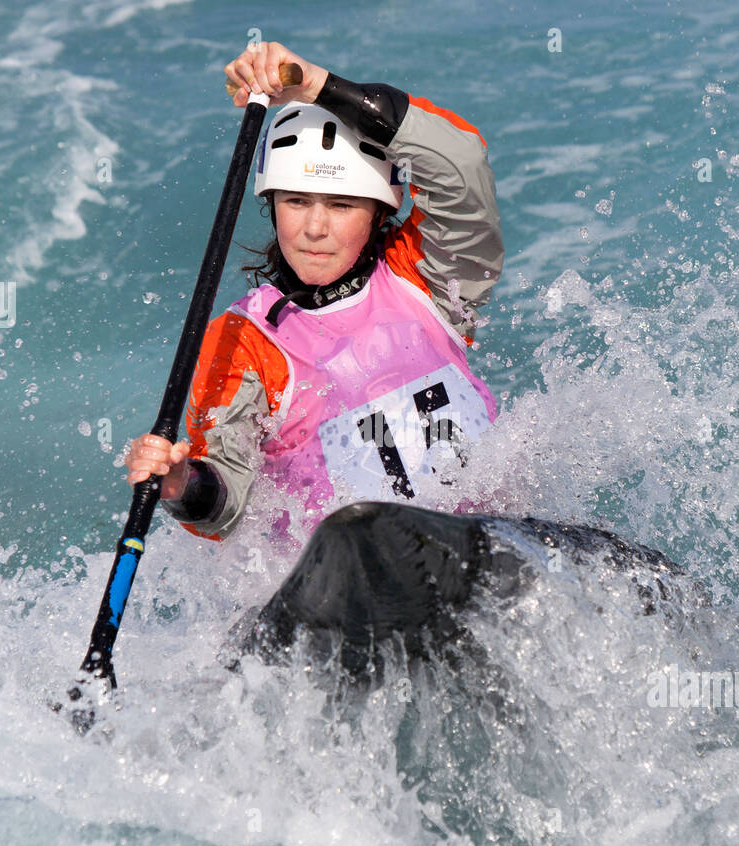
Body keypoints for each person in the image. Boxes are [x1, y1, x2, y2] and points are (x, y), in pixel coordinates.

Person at [124, 41, 503, 541]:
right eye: (297, 201)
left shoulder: (427, 278)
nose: (315, 228)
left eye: (343, 205)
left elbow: (461, 162)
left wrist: (318, 86)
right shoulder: (243, 341)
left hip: (482, 540)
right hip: (346, 584)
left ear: (379, 212)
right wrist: (180, 485)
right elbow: (224, 506)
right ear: (272, 202)